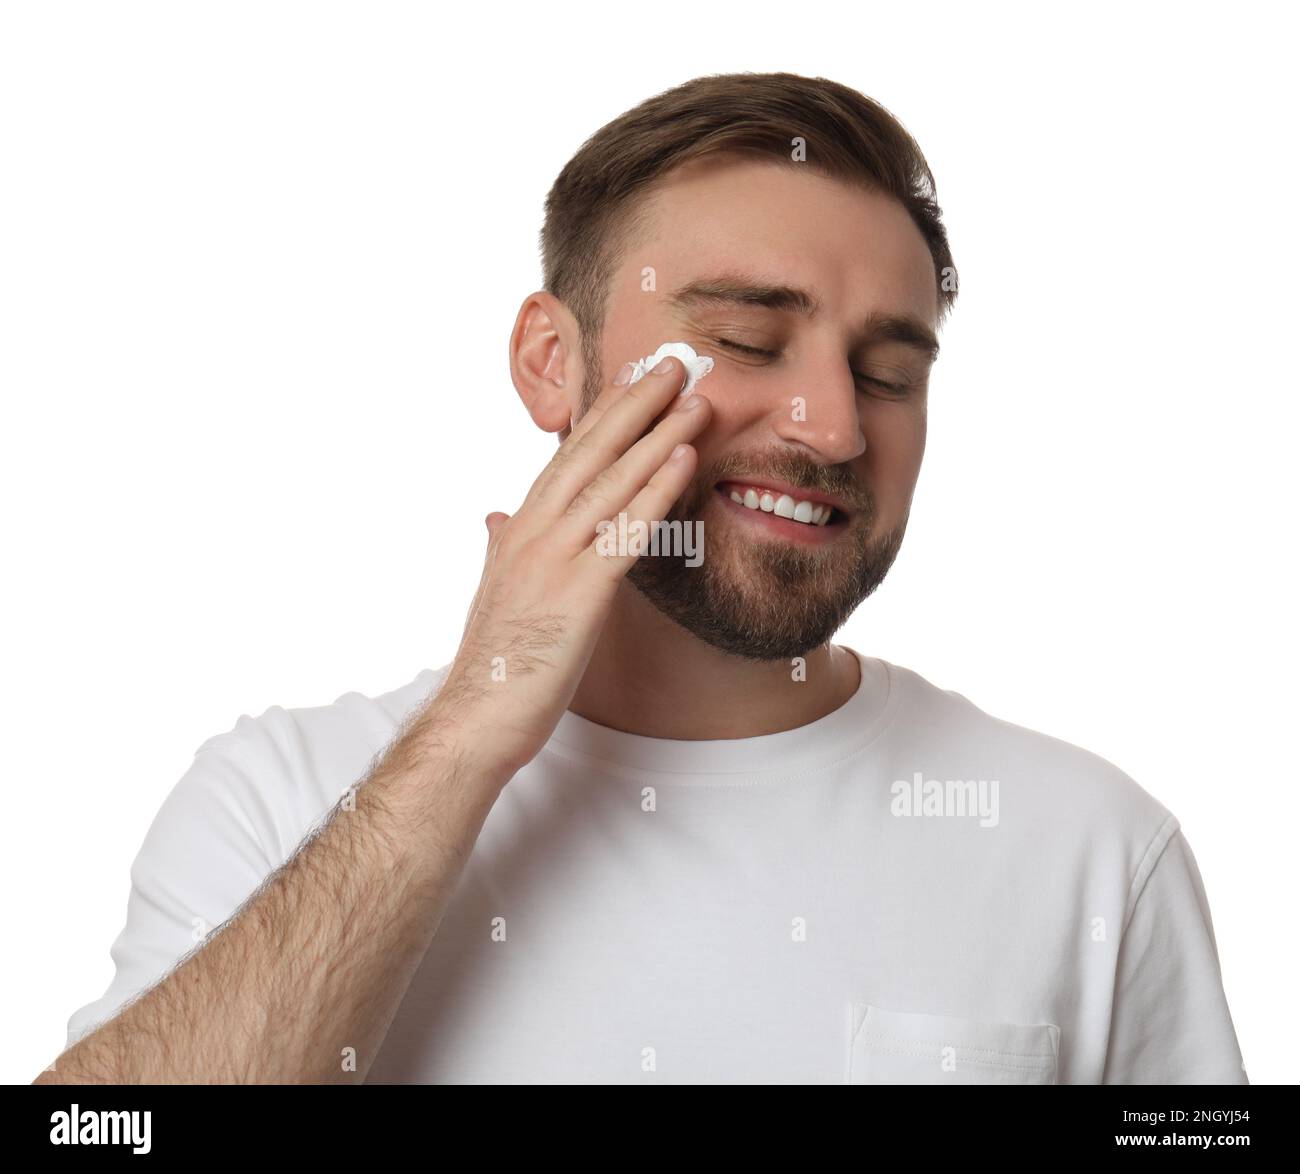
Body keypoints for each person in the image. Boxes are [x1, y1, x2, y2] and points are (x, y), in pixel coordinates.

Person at [37, 71, 1246, 1084]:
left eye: (885, 373)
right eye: (745, 342)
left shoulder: (1091, 847)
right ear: (551, 363)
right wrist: (468, 735)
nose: (829, 427)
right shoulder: (277, 798)